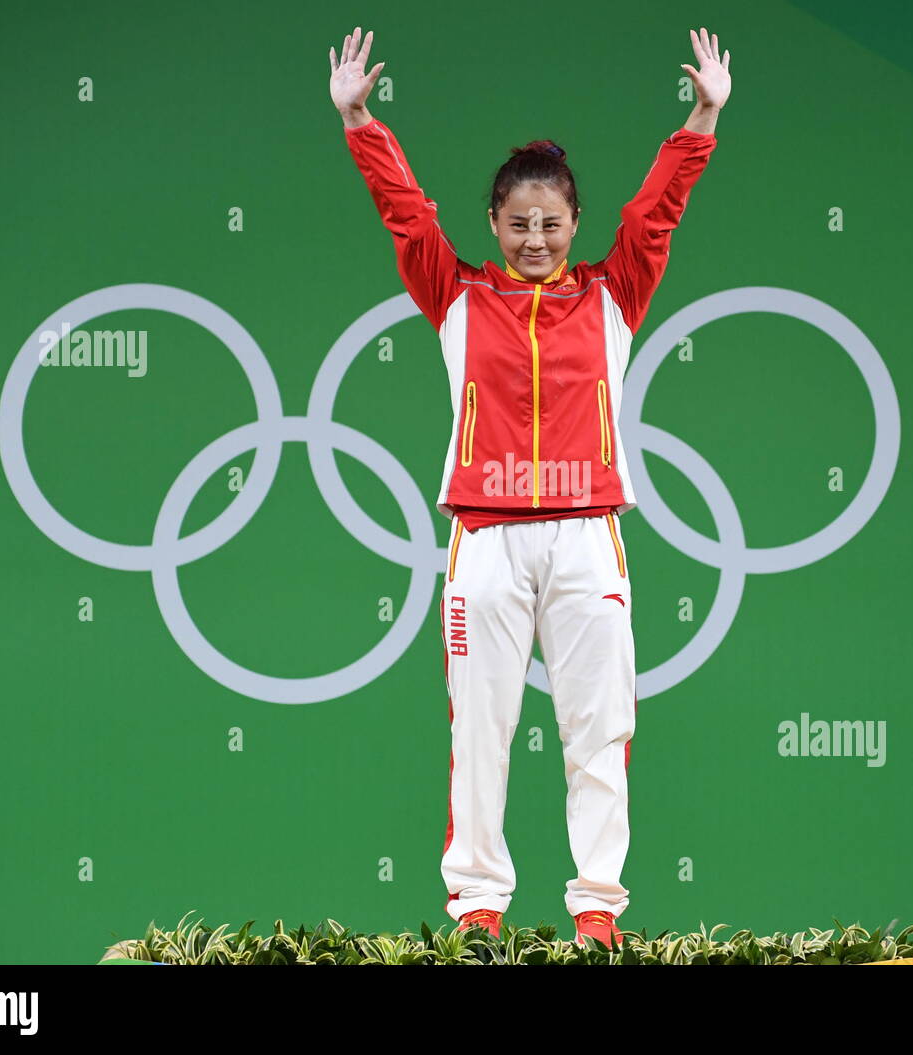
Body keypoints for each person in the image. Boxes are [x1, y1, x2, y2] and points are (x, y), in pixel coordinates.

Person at [329, 24, 730, 949]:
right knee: (482, 729)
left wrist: (702, 118)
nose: (537, 239)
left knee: (601, 726)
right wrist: (360, 123)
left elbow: (655, 216)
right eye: (519, 224)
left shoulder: (614, 294)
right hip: (487, 539)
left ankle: (598, 908)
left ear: (574, 226)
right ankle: (477, 910)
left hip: (589, 533)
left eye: (552, 224)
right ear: (495, 226)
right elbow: (406, 215)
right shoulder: (457, 298)